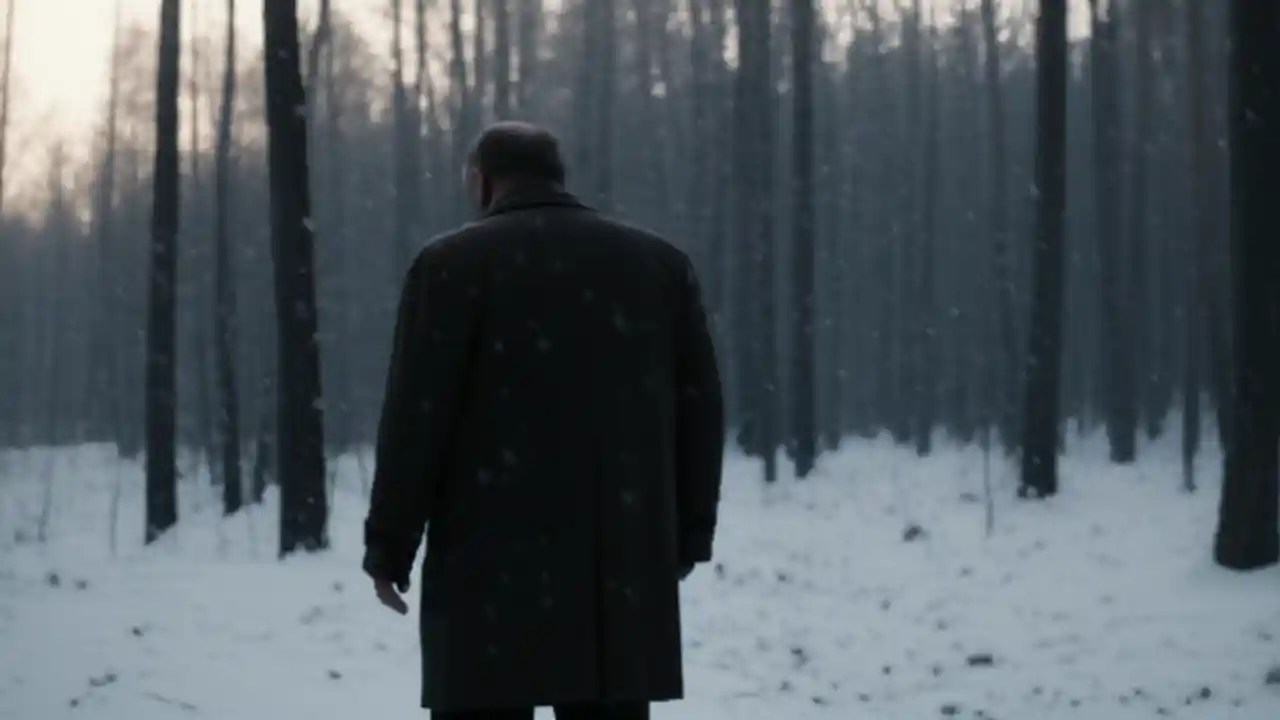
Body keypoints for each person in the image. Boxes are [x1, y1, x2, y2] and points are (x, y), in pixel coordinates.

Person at [362, 121, 725, 720]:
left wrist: (390, 546)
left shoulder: (451, 265)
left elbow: (415, 420)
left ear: (482, 180)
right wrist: (687, 535)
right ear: (559, 177)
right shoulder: (658, 265)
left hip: (487, 565)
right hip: (619, 565)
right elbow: (700, 412)